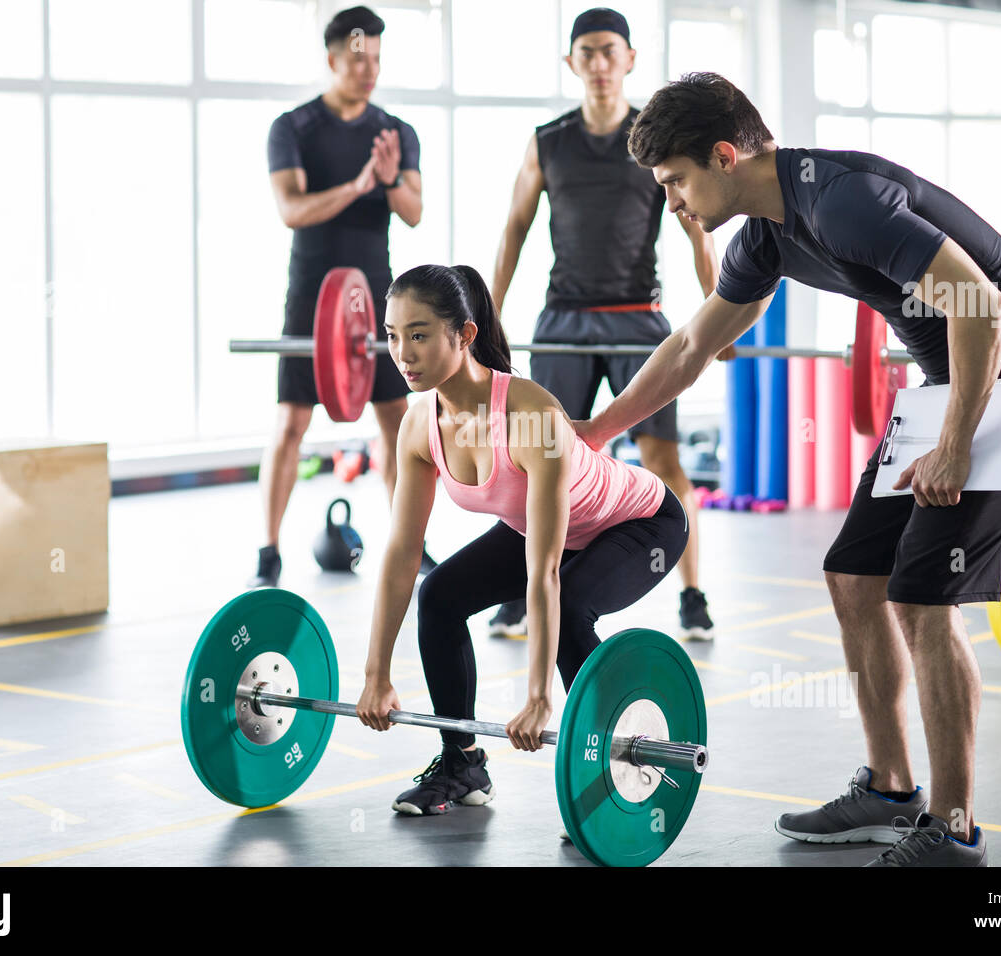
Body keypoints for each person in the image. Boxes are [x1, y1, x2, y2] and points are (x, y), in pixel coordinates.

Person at [574, 72, 1001, 866]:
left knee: (922, 595)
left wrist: (954, 442)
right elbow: (689, 348)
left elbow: (982, 305)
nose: (672, 201)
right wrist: (597, 429)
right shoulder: (766, 235)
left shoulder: (841, 201)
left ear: (724, 154)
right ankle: (888, 788)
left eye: (675, 182)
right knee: (854, 576)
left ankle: (954, 829)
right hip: (948, 380)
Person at [354, 264, 689, 818]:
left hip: (642, 523)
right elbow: (400, 555)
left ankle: (613, 770)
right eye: (392, 335)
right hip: (544, 532)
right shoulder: (419, 427)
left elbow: (545, 573)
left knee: (570, 609)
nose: (402, 353)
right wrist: (376, 675)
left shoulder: (530, 414)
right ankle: (462, 764)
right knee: (437, 595)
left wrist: (538, 700)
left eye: (418, 334)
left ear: (463, 335)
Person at [486, 7, 719, 641]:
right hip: (563, 318)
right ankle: (520, 593)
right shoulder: (547, 141)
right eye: (586, 52)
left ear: (630, 59)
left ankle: (692, 596)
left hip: (638, 320)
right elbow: (514, 229)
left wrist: (715, 310)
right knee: (540, 462)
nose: (598, 64)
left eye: (609, 51)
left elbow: (696, 223)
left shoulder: (652, 141)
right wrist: (490, 317)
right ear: (571, 63)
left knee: (662, 459)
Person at [252, 5, 432, 588]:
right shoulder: (294, 127)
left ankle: (411, 544)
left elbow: (413, 212)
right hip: (311, 292)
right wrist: (357, 185)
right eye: (358, 59)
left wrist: (384, 182)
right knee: (290, 425)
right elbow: (290, 211)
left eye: (377, 59)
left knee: (395, 421)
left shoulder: (397, 133)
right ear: (332, 58)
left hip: (380, 298)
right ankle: (268, 551)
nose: (369, 70)